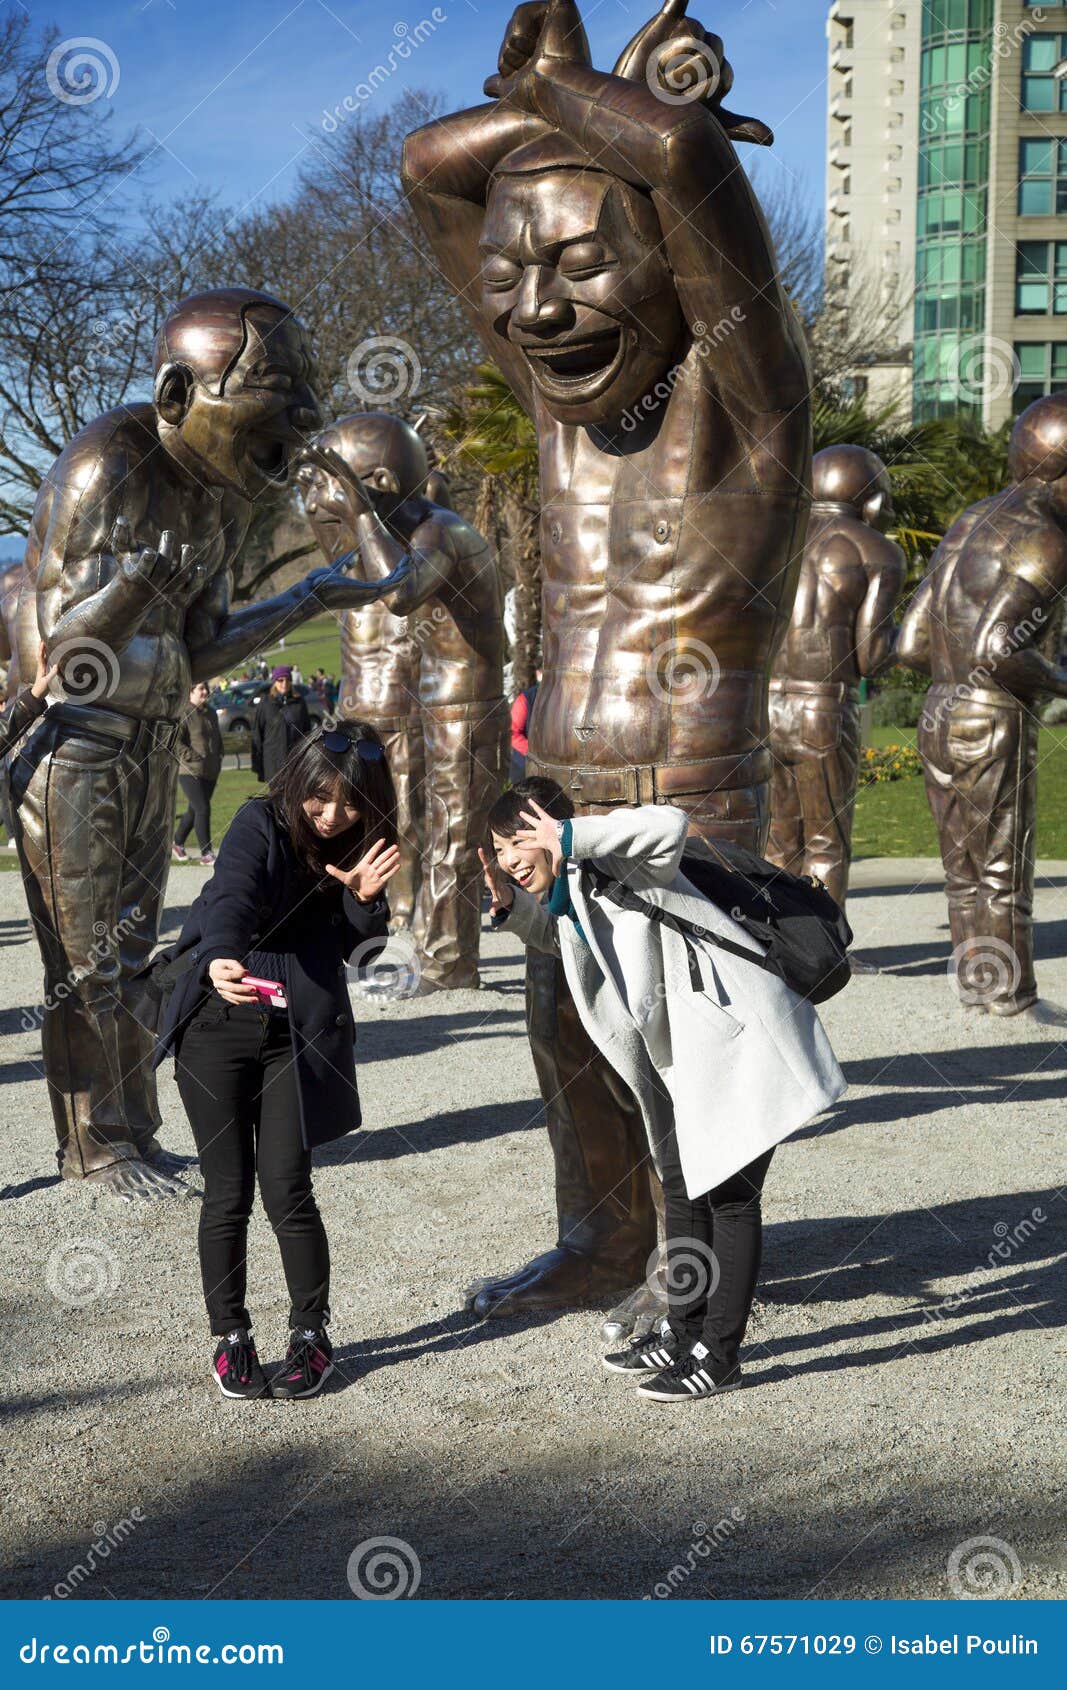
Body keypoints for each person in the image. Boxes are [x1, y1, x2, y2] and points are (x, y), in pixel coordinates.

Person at [479, 777, 845, 1403]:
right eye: (500, 847)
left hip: (738, 1042)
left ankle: (720, 1354)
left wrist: (571, 834)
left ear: (554, 832)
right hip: (687, 1061)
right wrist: (514, 912)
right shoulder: (574, 889)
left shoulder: (618, 858)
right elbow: (565, 938)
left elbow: (670, 822)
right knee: (683, 1186)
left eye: (520, 842)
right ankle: (684, 1330)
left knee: (730, 1195)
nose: (511, 858)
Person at [156, 722, 400, 1399]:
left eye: (349, 803)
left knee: (289, 1188)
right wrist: (218, 957)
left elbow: (360, 951)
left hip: (296, 1032)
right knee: (226, 1191)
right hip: (217, 1022)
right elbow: (231, 895)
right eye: (319, 799)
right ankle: (231, 1336)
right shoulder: (258, 820)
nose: (331, 816)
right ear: (297, 783)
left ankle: (310, 1336)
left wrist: (361, 899)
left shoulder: (362, 846)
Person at [173, 681, 223, 866]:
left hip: (210, 771)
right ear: (191, 691)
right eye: (201, 688)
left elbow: (217, 737)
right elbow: (176, 742)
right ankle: (206, 853)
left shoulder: (210, 712)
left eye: (206, 688)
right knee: (202, 808)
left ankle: (177, 842)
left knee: (194, 810)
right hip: (189, 771)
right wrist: (192, 757)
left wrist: (219, 757)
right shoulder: (184, 713)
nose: (205, 692)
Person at [251, 666, 312, 785]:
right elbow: (257, 735)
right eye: (280, 680)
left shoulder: (299, 702)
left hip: (295, 764)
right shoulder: (265, 703)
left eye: (287, 680)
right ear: (274, 682)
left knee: (294, 801)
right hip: (273, 764)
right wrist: (258, 766)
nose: (284, 684)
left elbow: (307, 732)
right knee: (276, 801)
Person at [509, 668, 541, 785]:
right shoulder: (525, 699)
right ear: (538, 674)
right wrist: (536, 753)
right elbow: (513, 734)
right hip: (524, 768)